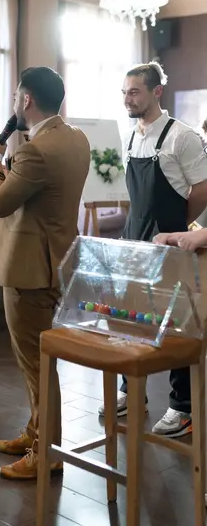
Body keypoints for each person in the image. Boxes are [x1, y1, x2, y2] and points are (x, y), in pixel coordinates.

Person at [0, 66, 90, 480]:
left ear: (26, 100)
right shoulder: (75, 139)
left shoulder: (36, 151)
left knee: (36, 364)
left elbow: (1, 202)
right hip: (59, 263)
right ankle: (34, 431)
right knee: (38, 360)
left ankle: (46, 452)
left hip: (28, 269)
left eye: (16, 95)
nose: (14, 102)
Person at [98, 61, 207, 438]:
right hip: (135, 238)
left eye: (134, 92)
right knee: (132, 318)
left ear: (156, 91)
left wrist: (178, 225)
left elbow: (202, 189)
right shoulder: (131, 136)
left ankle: (182, 407)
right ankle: (132, 390)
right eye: (124, 93)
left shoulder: (181, 137)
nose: (127, 99)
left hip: (170, 241)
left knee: (178, 322)